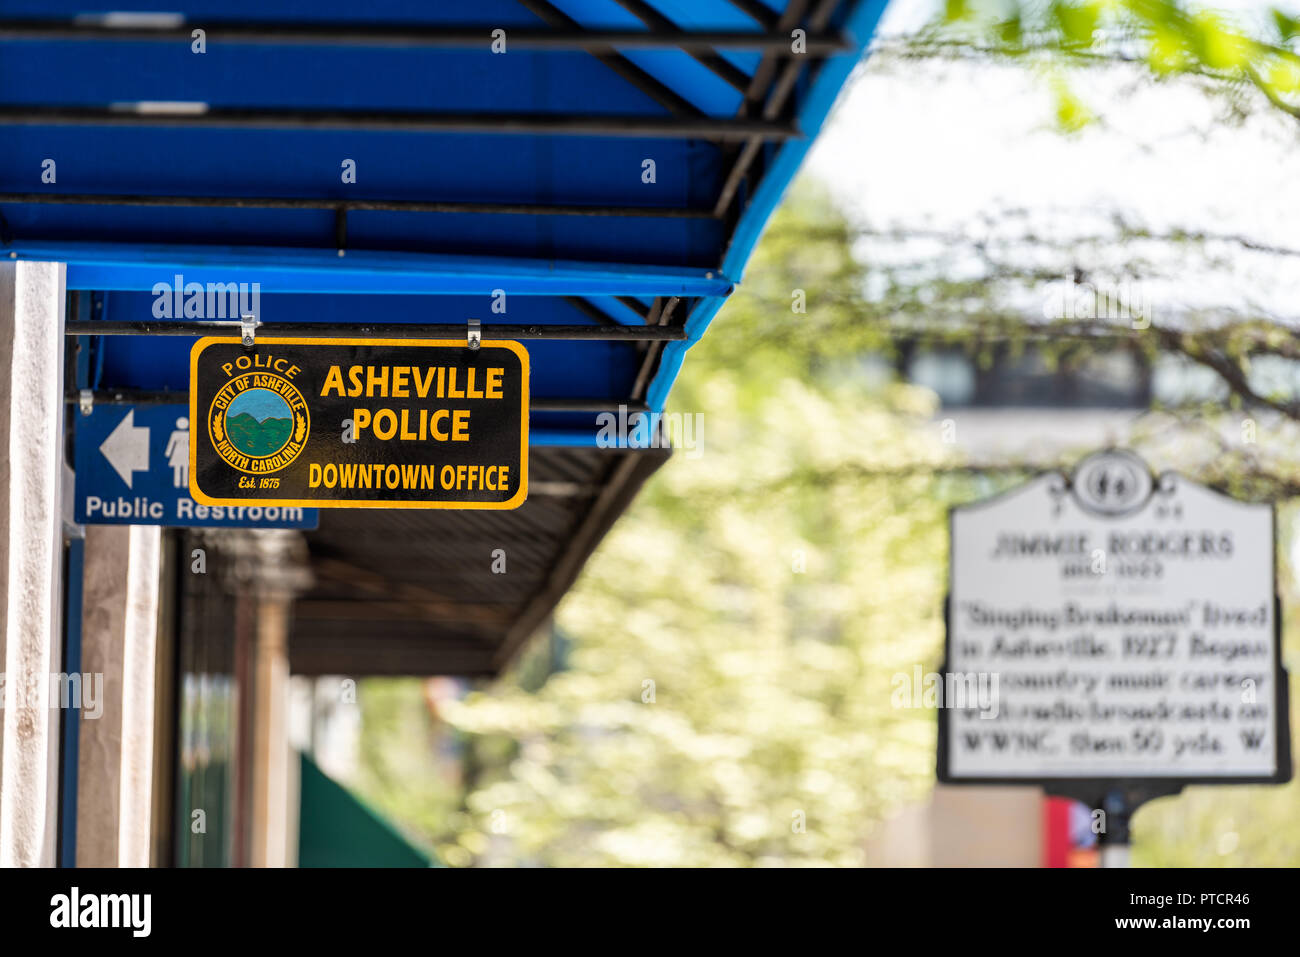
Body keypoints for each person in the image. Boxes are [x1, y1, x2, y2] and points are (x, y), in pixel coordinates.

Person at [166, 416, 189, 488]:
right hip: (179, 454)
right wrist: (168, 453)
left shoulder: (189, 434)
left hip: (183, 454)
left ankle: (184, 483)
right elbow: (171, 444)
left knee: (184, 468)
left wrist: (168, 453)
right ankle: (179, 483)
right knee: (179, 468)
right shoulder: (175, 434)